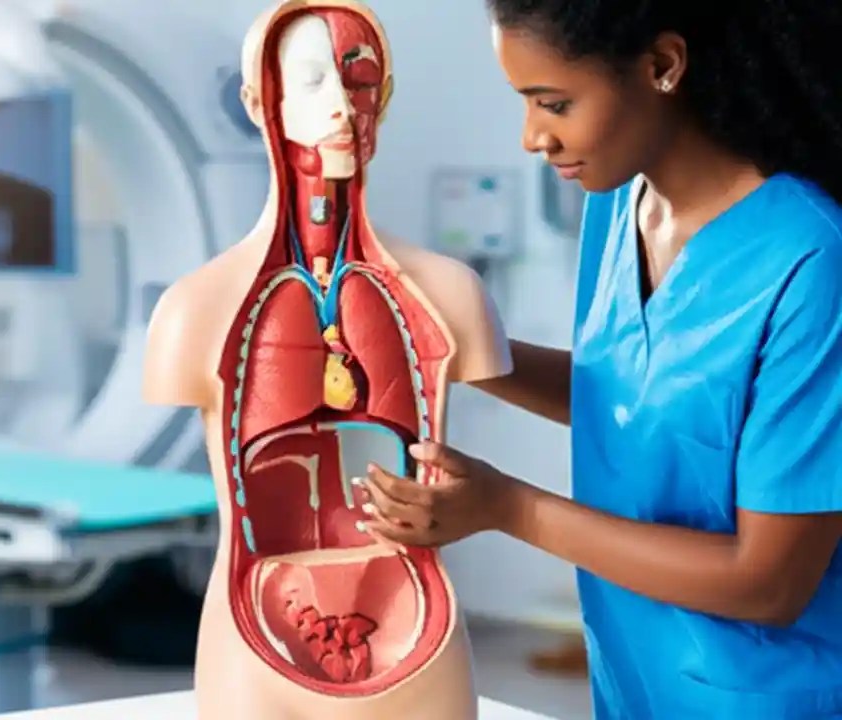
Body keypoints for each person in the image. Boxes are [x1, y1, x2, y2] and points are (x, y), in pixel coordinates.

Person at [357, 1, 842, 717]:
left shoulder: (812, 261)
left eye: (554, 103)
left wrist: (507, 507)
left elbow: (768, 583)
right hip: (632, 677)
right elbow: (631, 397)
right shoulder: (620, 204)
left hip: (769, 696)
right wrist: (452, 348)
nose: (533, 137)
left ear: (662, 66)